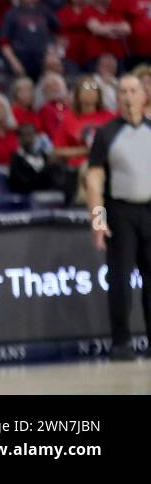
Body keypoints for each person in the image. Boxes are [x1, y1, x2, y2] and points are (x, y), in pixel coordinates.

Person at [86, 75, 151, 361]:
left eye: (133, 91)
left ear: (143, 95)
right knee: (120, 282)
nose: (127, 96)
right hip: (120, 213)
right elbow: (93, 180)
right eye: (122, 91)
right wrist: (98, 220)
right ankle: (122, 342)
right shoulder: (107, 133)